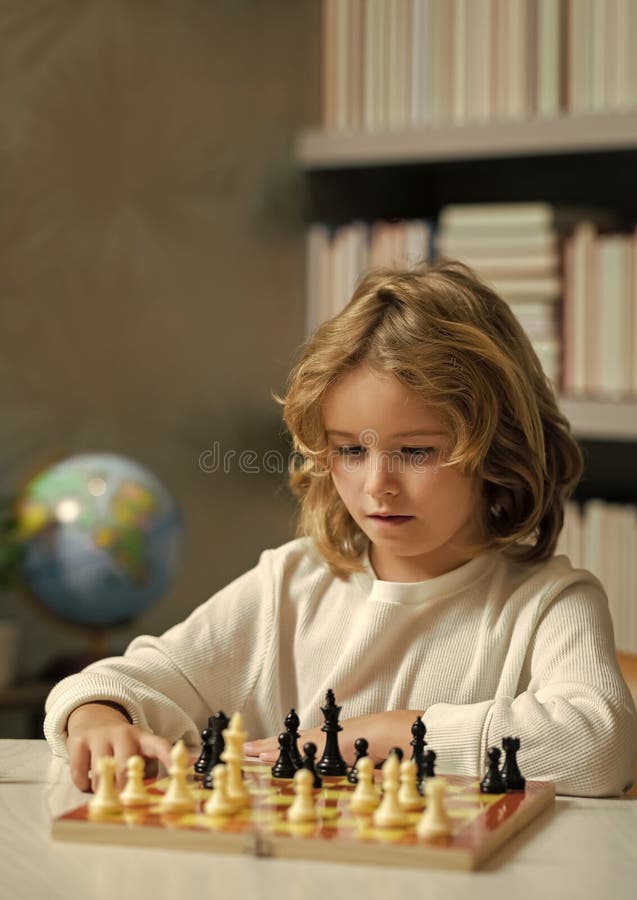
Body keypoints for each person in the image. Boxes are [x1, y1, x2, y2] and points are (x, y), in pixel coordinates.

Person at [44, 261, 637, 797]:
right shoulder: (290, 586)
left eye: (417, 451)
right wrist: (97, 714)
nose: (378, 484)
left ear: (498, 448)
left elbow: (599, 748)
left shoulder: (550, 605)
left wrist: (395, 733)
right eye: (351, 450)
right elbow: (132, 679)